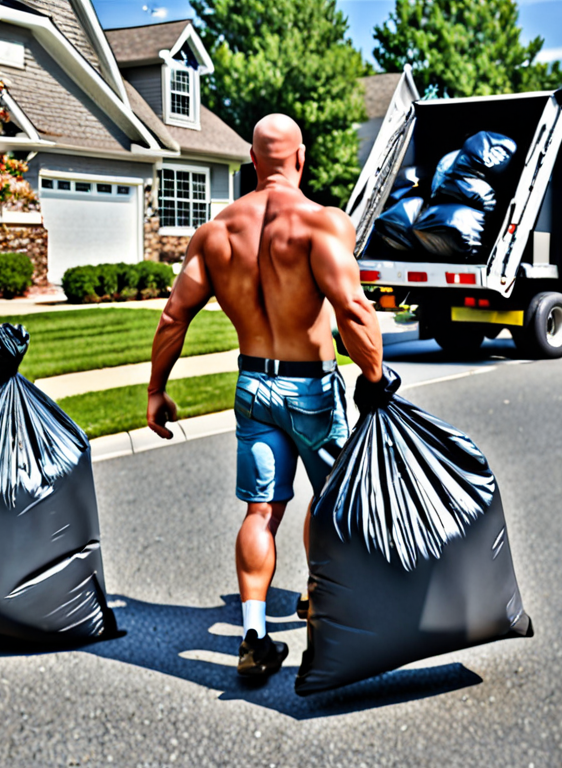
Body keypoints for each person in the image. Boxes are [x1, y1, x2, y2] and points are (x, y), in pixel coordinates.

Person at [146, 114, 384, 678]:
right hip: (312, 390)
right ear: (300, 158)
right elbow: (352, 311)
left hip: (253, 384)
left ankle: (254, 635)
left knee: (261, 511)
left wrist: (157, 390)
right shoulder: (321, 224)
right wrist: (375, 378)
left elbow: (173, 315)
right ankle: (314, 596)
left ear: (253, 161)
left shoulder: (216, 232)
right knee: (329, 501)